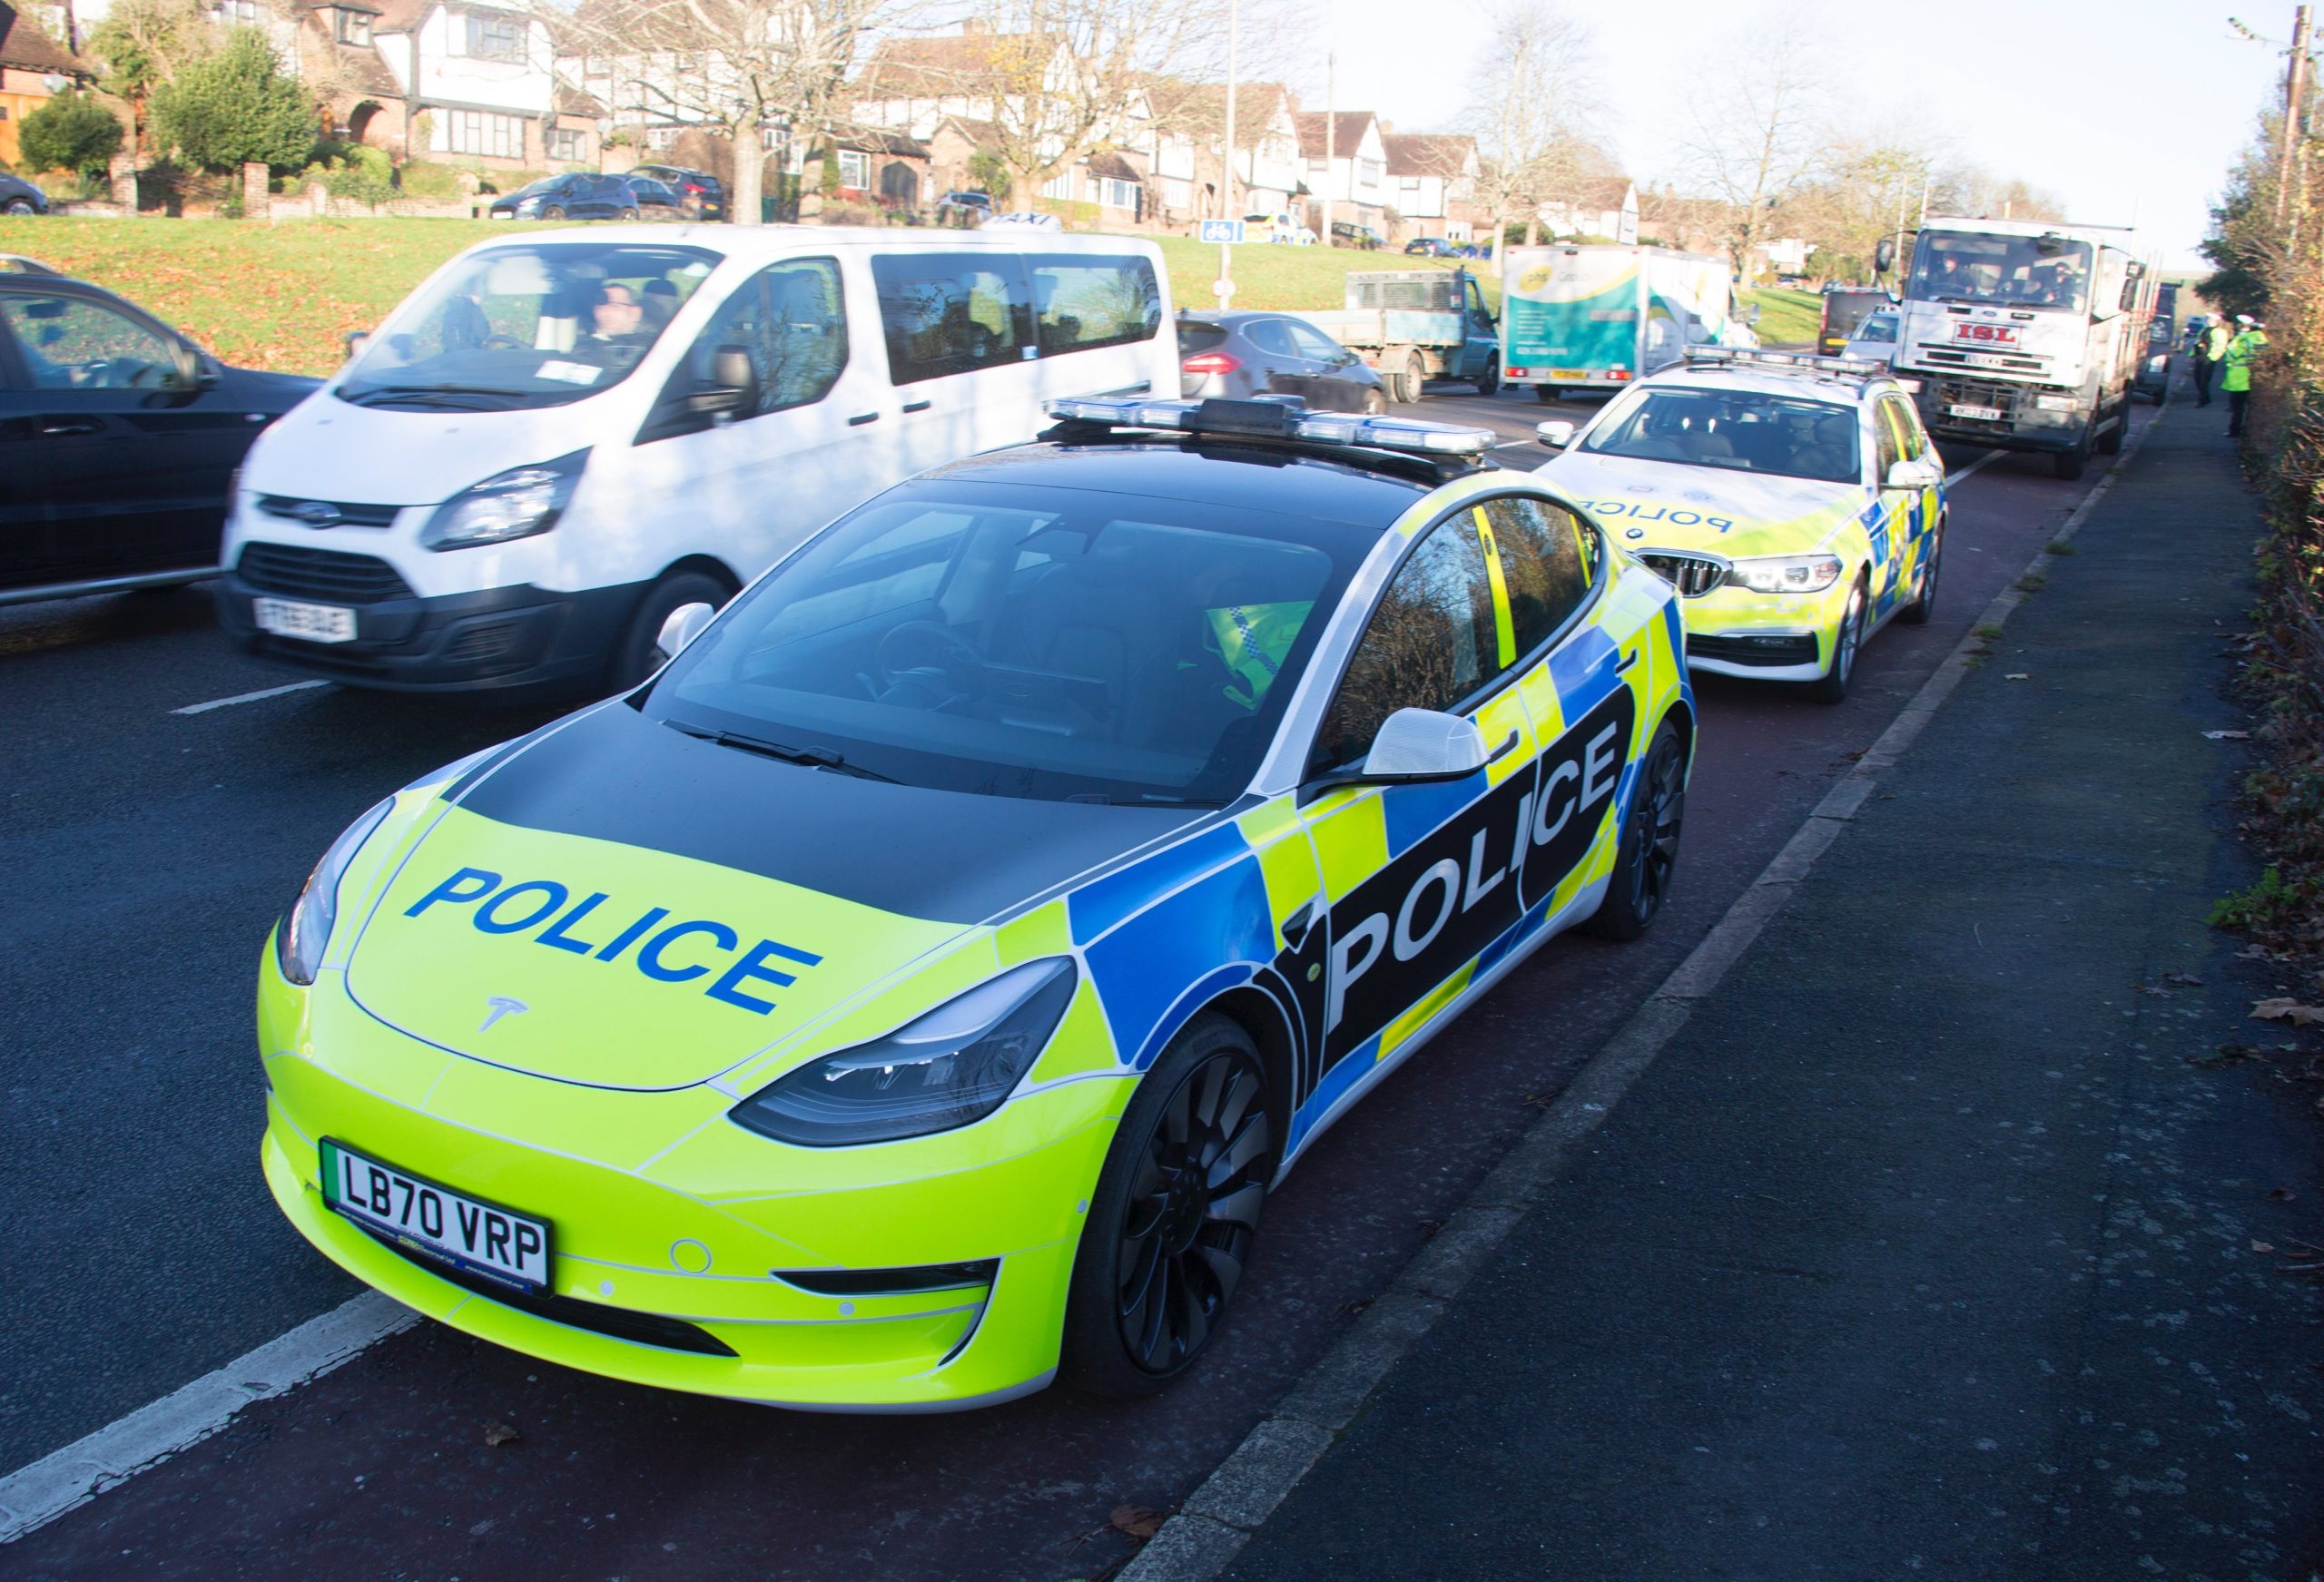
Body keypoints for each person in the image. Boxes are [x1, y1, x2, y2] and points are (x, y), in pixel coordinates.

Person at [2222, 314, 2269, 437]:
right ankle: (2250, 432)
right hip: (2257, 376)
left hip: (2240, 378)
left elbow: (2231, 355)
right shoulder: (2264, 341)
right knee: (2252, 407)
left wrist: (2233, 343)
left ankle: (2234, 431)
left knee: (2237, 408)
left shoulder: (2244, 340)